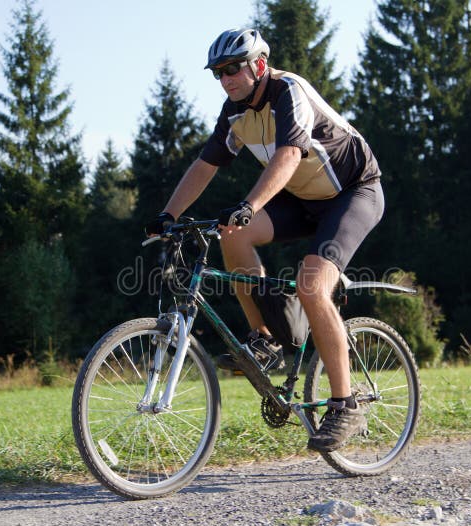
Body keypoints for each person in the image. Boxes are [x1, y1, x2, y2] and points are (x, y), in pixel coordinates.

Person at [145, 28, 384, 452]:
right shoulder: (234, 112)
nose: (226, 79)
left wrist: (251, 203)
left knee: (312, 284)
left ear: (258, 64)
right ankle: (265, 337)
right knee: (230, 234)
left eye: (233, 69)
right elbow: (205, 166)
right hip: (305, 200)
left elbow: (289, 155)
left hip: (353, 193)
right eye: (218, 73)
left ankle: (346, 404)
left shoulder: (288, 91)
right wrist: (169, 214)